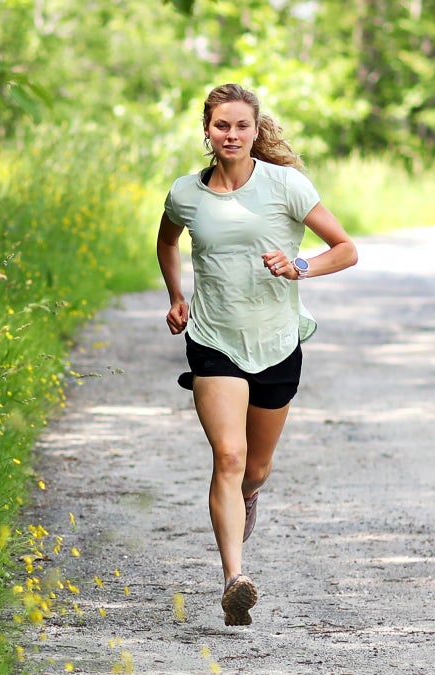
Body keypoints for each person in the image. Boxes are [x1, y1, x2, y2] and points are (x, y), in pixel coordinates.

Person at [156, 83, 358, 626]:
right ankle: (234, 579)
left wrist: (301, 267)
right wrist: (177, 296)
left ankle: (248, 497)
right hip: (214, 338)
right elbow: (168, 241)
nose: (231, 134)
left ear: (255, 129)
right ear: (206, 129)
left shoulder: (286, 185)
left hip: (276, 342)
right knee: (229, 455)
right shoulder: (185, 193)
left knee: (256, 468)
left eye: (241, 125)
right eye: (221, 125)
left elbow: (346, 248)